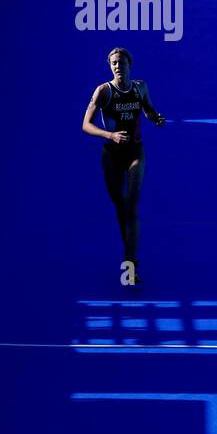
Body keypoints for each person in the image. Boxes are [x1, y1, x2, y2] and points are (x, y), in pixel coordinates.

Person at [82, 48, 165, 286]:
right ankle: (128, 247)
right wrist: (110, 135)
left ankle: (131, 264)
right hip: (112, 155)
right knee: (120, 207)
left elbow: (148, 109)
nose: (117, 66)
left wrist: (155, 117)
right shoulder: (104, 92)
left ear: (130, 64)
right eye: (113, 63)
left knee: (131, 206)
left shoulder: (140, 88)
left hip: (136, 152)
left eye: (121, 63)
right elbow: (85, 125)